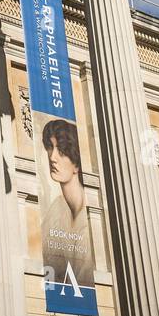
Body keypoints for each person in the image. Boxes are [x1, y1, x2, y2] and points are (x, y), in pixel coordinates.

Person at [39, 119, 95, 290]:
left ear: (77, 163)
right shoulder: (55, 211)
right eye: (50, 147)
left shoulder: (91, 216)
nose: (52, 157)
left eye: (61, 151)